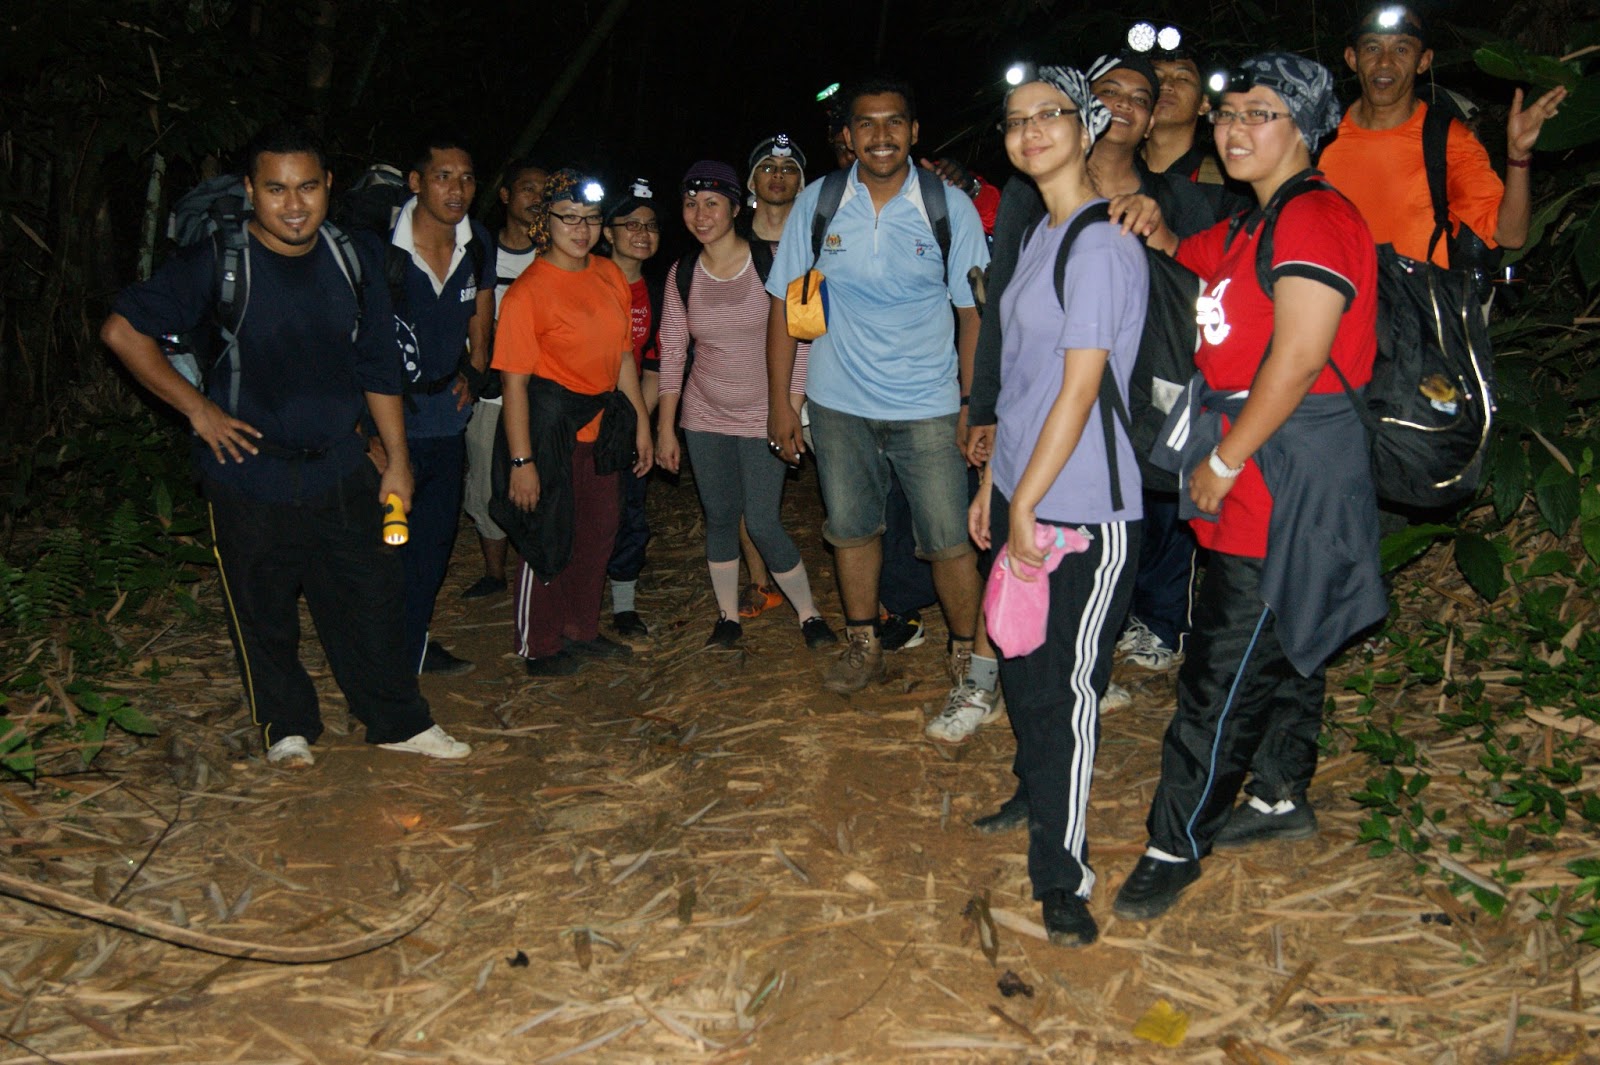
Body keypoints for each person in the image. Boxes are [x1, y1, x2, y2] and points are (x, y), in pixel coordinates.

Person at [1106, 53, 1388, 921]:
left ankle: (1174, 840)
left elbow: (1298, 357)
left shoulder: (1315, 219)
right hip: (1264, 460)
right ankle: (1278, 791)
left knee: (1221, 665)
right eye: (1228, 112)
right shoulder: (1249, 227)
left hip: (1283, 467)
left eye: (1260, 113)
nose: (1233, 128)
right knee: (1292, 630)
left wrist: (1225, 461)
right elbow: (1180, 261)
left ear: (1306, 127)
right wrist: (1150, 219)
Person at [99, 125, 471, 767]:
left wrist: (397, 462)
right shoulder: (218, 261)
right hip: (247, 470)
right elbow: (122, 330)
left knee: (371, 597)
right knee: (262, 606)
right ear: (251, 191)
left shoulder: (352, 258)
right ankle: (286, 726)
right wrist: (199, 411)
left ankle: (397, 720)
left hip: (339, 462)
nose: (294, 205)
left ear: (328, 186)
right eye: (276, 189)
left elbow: (378, 366)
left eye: (307, 187)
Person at [971, 65, 1148, 945]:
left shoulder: (1103, 244)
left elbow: (1080, 389)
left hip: (1082, 505)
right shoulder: (1040, 231)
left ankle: (1062, 874)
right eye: (1016, 119)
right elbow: (1025, 379)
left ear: (1088, 127)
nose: (1031, 129)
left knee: (1067, 688)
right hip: (1025, 486)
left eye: (1051, 114)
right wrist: (993, 486)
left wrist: (1026, 503)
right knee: (1021, 664)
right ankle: (1037, 792)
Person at [765, 75, 990, 704]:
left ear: (914, 132)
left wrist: (972, 404)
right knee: (852, 528)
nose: (881, 135)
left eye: (894, 122)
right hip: (839, 402)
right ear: (848, 134)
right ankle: (863, 642)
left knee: (948, 538)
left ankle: (969, 654)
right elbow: (789, 306)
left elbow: (973, 315)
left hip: (929, 405)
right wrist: (781, 402)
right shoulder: (820, 203)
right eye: (866, 123)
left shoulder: (948, 207)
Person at [655, 161, 836, 651]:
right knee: (719, 516)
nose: (700, 214)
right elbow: (672, 350)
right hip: (704, 414)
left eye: (712, 203)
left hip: (765, 413)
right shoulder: (681, 273)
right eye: (690, 204)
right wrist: (666, 428)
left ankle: (809, 614)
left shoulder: (777, 260)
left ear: (737, 207)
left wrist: (789, 409)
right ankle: (727, 617)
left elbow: (806, 338)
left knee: (761, 521)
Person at [493, 170, 654, 676]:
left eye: (590, 219)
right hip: (550, 434)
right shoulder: (527, 293)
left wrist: (641, 424)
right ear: (546, 221)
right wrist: (522, 462)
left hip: (602, 430)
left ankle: (580, 628)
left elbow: (623, 357)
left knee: (598, 532)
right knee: (548, 535)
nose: (581, 229)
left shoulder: (608, 274)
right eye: (568, 218)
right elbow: (514, 385)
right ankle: (538, 644)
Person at [1318, 3, 1566, 269]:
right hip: (1332, 293)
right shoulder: (1320, 138)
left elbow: (1510, 235)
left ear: (1423, 61)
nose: (1385, 62)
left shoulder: (1446, 140)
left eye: (1401, 49)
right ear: (1352, 58)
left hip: (1417, 294)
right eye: (1372, 48)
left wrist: (1518, 156)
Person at [390, 134, 496, 675]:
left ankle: (412, 643)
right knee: (388, 542)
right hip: (388, 421)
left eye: (467, 178)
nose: (458, 189)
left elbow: (482, 309)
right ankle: (381, 652)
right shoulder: (380, 246)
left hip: (445, 419)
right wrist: (364, 430)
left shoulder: (476, 241)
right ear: (416, 182)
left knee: (433, 542)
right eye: (443, 176)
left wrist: (475, 369)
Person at [460, 159, 547, 601]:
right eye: (528, 188)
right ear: (506, 195)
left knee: (543, 484)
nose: (537, 198)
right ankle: (495, 574)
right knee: (484, 485)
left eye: (545, 191)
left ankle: (541, 572)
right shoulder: (480, 251)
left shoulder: (554, 254)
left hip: (543, 393)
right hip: (490, 392)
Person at [599, 179, 663, 638]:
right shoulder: (587, 279)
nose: (642, 233)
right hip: (579, 411)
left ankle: (624, 606)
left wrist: (639, 420)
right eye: (631, 224)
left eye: (651, 225)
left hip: (630, 413)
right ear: (608, 232)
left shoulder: (660, 292)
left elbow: (656, 365)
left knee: (630, 511)